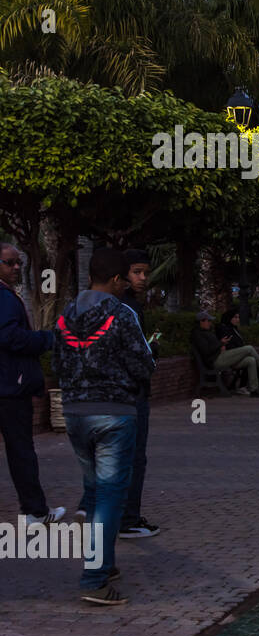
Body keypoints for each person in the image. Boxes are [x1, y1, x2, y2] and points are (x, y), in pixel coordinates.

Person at [54, 248, 155, 605]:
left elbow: (58, 360)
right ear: (116, 280)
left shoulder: (66, 313)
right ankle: (94, 578)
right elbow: (143, 363)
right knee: (112, 494)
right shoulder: (121, 312)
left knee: (95, 490)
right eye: (126, 277)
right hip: (113, 413)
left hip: (75, 412)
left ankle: (105, 563)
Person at [0, 243, 63, 525]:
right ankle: (34, 511)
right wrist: (46, 339)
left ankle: (34, 509)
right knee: (21, 450)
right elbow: (10, 337)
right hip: (10, 387)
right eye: (9, 263)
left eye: (19, 264)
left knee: (20, 450)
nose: (16, 268)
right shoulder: (4, 298)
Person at [115, 249, 162, 538]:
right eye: (137, 272)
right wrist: (150, 353)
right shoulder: (127, 308)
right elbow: (136, 356)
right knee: (133, 457)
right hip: (131, 394)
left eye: (146, 272)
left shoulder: (115, 304)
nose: (143, 278)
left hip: (114, 394)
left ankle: (114, 517)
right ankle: (127, 519)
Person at [192, 310, 259, 396]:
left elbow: (214, 346)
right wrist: (221, 343)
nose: (210, 323)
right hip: (216, 360)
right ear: (201, 321)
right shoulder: (197, 334)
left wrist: (222, 344)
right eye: (208, 321)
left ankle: (254, 390)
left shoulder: (208, 332)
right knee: (249, 348)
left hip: (221, 357)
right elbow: (206, 350)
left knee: (251, 360)